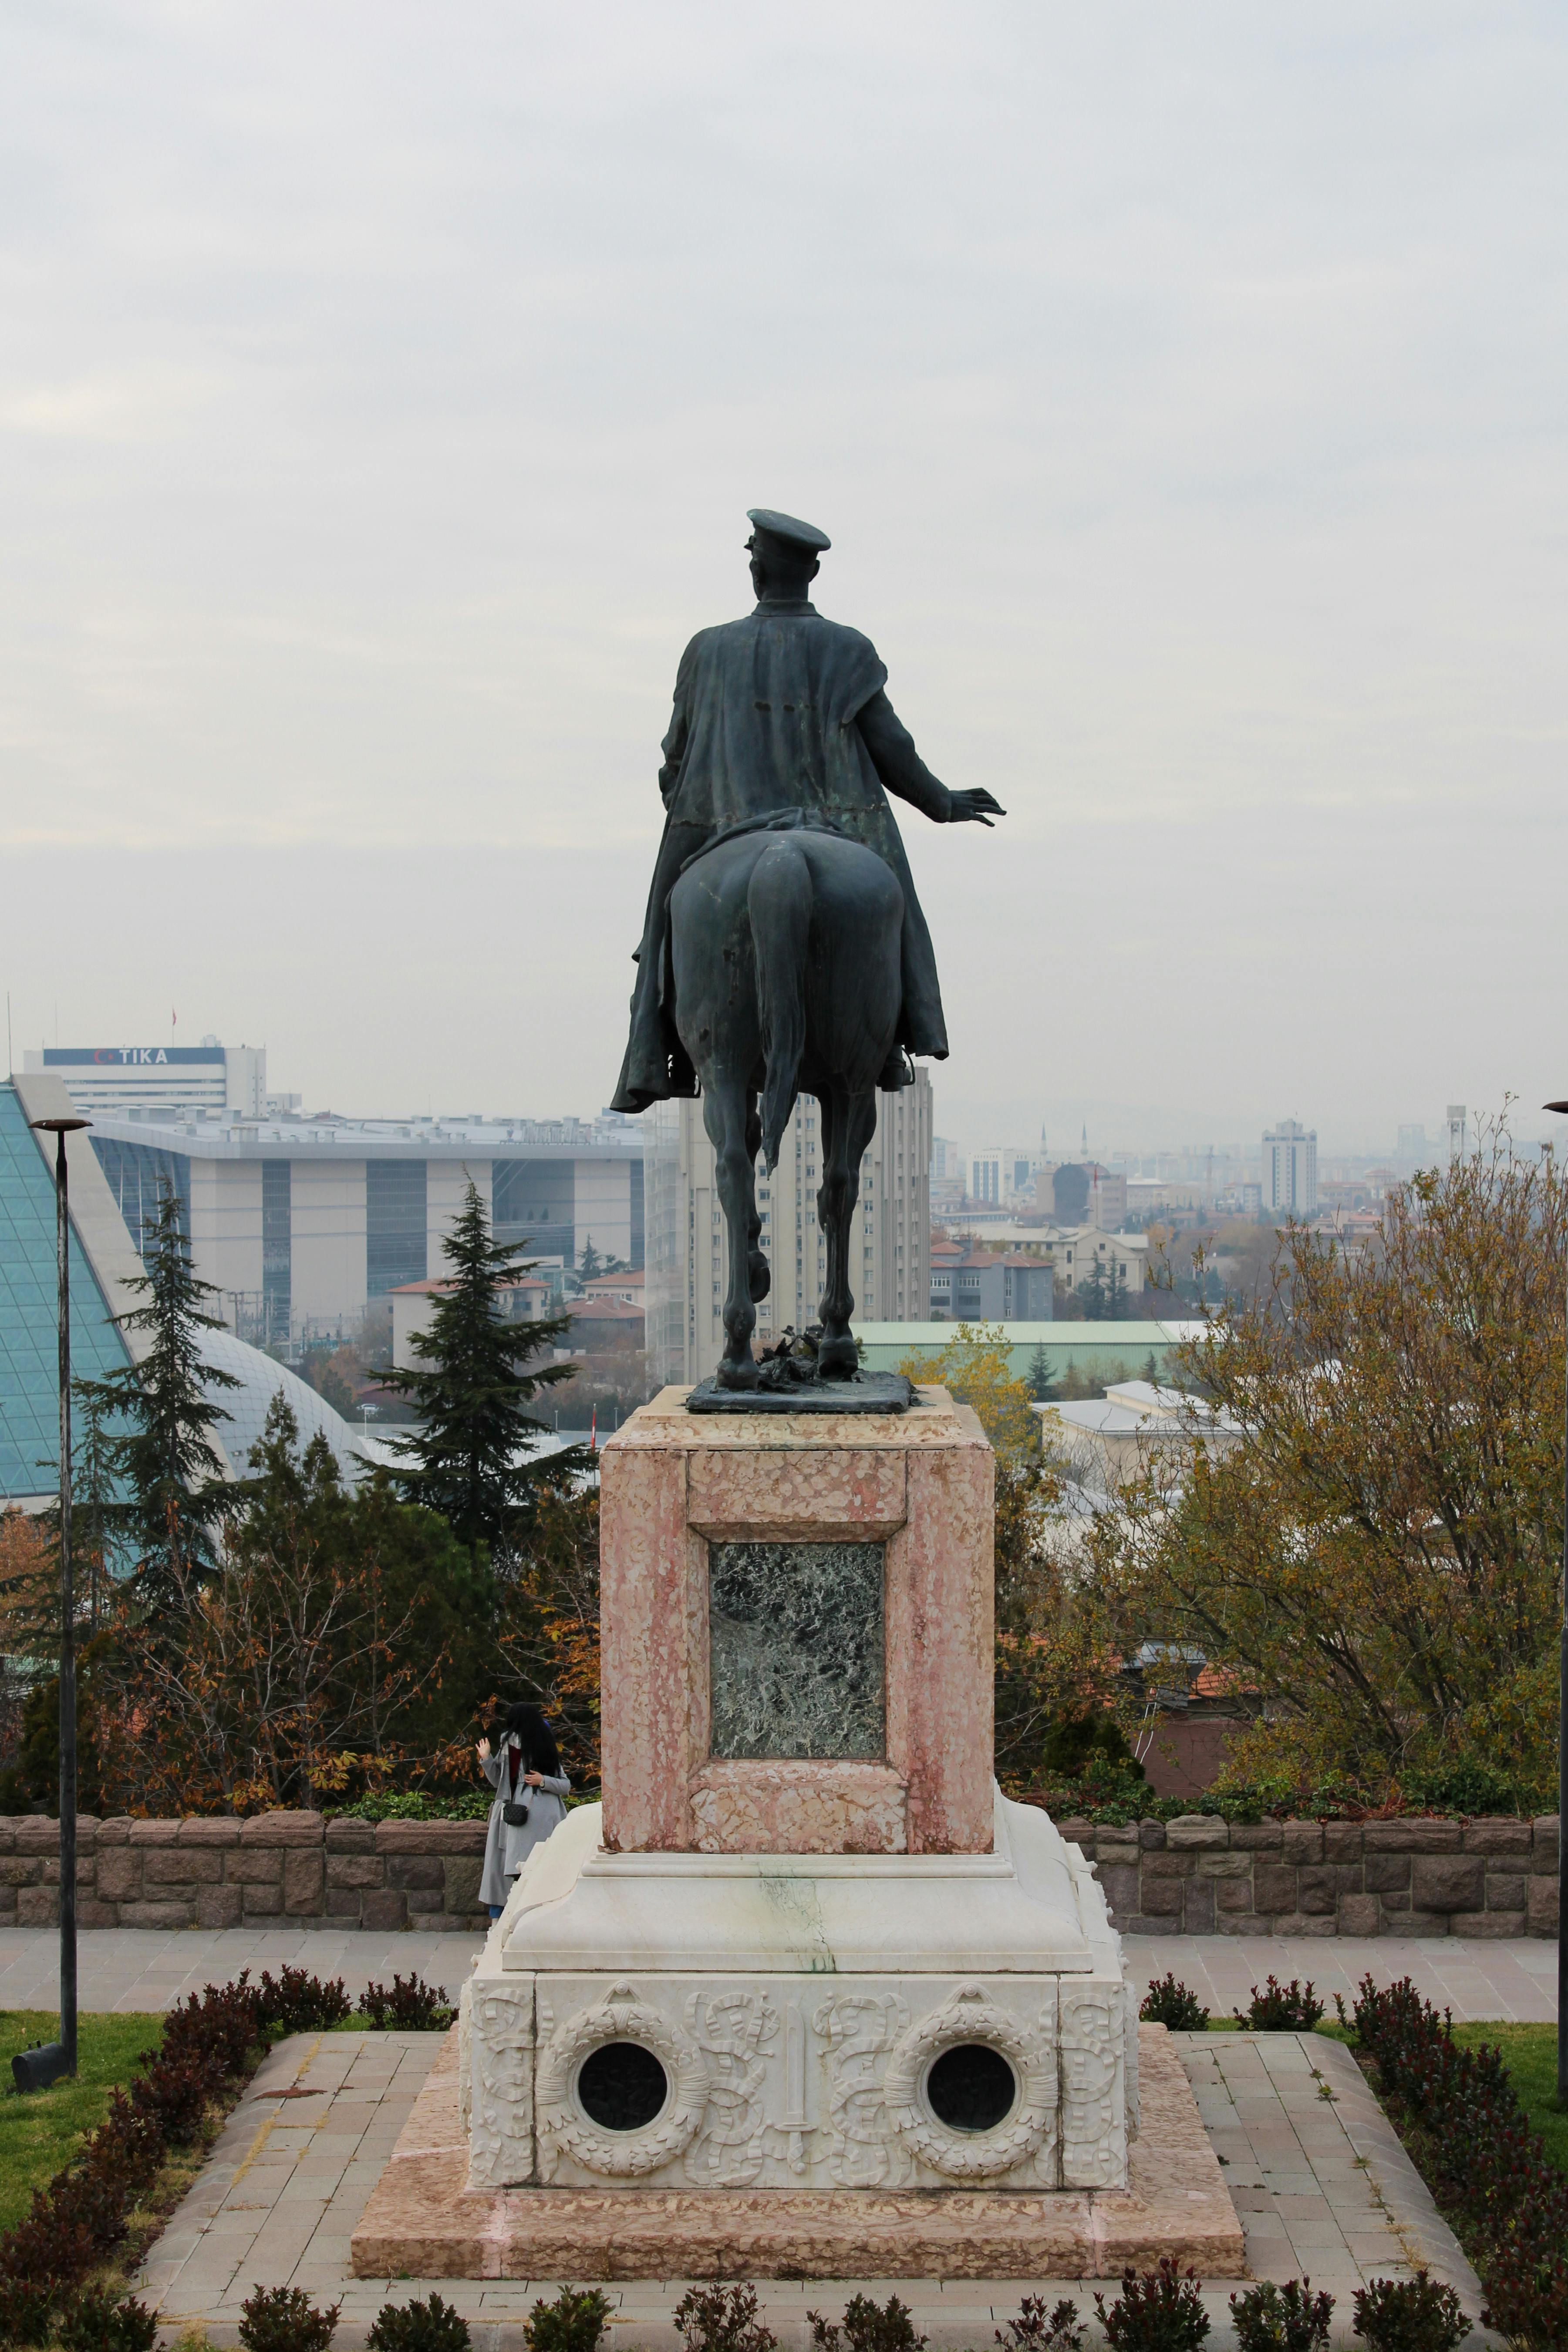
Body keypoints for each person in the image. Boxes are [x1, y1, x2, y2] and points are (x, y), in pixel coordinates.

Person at [610, 508, 1005, 1115]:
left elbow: (675, 755)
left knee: (665, 925)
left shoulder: (707, 649)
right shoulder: (848, 647)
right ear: (812, 571)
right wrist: (940, 802)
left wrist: (689, 797)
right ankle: (905, 1030)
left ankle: (654, 1048)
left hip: (719, 821)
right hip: (840, 822)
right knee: (898, 917)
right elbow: (891, 746)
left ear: (756, 569)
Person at [477, 1701, 570, 1920]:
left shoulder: (533, 1748)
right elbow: (501, 1783)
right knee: (531, 1871)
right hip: (527, 1815)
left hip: (528, 1817)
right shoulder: (525, 1746)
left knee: (521, 1871)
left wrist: (542, 1780)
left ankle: (511, 1919)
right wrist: (487, 1759)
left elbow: (565, 1785)